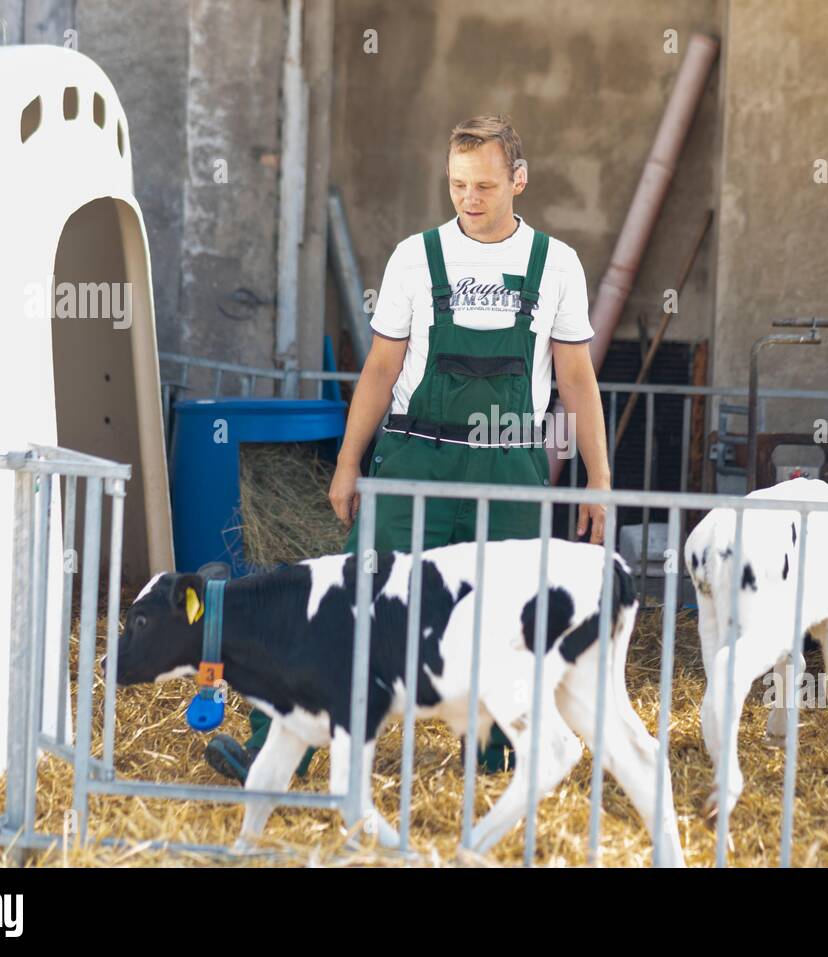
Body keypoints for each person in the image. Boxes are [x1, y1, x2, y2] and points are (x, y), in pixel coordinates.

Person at [205, 113, 611, 783]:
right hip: (414, 460)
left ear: (519, 179)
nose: (469, 199)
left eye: (483, 185)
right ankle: (273, 750)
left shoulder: (556, 263)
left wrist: (597, 475)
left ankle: (496, 760)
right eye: (456, 185)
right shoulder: (416, 258)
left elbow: (575, 377)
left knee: (509, 616)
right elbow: (381, 369)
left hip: (509, 467)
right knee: (355, 605)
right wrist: (346, 461)